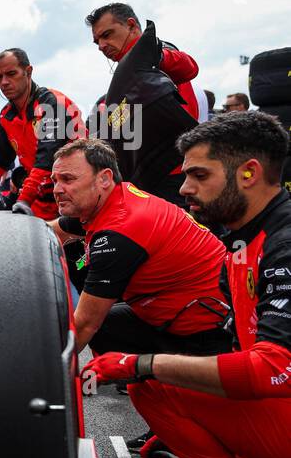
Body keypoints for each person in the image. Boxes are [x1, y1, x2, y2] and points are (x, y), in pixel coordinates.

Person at [84, 113, 291, 458]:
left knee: (153, 384)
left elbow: (273, 369)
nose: (184, 188)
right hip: (273, 416)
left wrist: (142, 364)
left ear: (249, 173)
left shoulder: (284, 242)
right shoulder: (239, 236)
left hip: (279, 403)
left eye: (200, 175)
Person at [47, 138, 228, 356]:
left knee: (90, 327)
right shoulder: (111, 199)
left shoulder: (119, 231)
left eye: (68, 179)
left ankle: (142, 378)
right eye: (54, 180)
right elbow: (48, 231)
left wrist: (37, 380)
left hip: (205, 331)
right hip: (172, 309)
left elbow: (85, 324)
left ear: (104, 178)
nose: (57, 189)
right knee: (105, 325)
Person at [0, 48, 84, 221]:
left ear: (28, 72)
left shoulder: (51, 103)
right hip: (41, 200)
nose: (4, 82)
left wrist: (24, 199)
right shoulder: (7, 115)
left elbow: (48, 159)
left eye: (11, 74)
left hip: (77, 198)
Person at [86, 4, 201, 120]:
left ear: (131, 26)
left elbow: (189, 67)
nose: (101, 46)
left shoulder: (156, 52)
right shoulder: (124, 74)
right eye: (97, 42)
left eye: (106, 35)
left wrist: (154, 55)